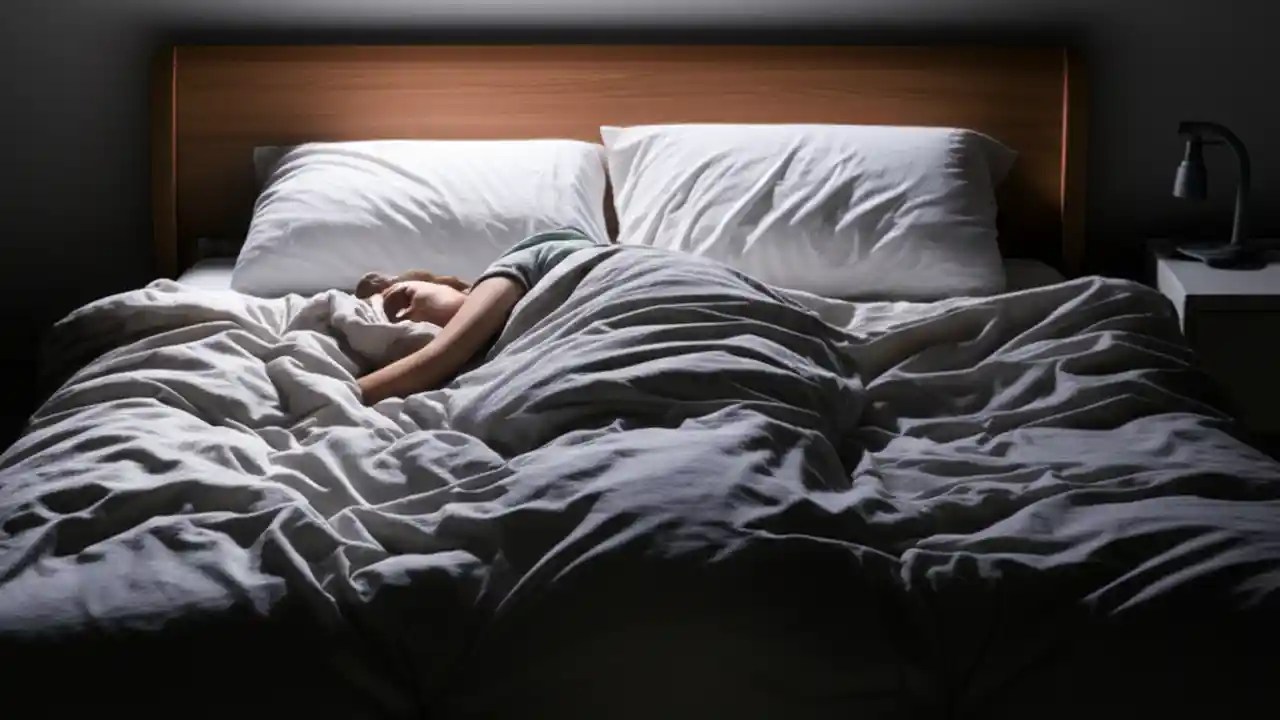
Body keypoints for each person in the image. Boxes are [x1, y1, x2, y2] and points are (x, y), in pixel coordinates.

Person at [356, 227, 598, 404]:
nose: (409, 319)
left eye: (406, 298)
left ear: (458, 286)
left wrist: (337, 396)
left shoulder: (554, 252)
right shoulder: (506, 354)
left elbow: (435, 360)